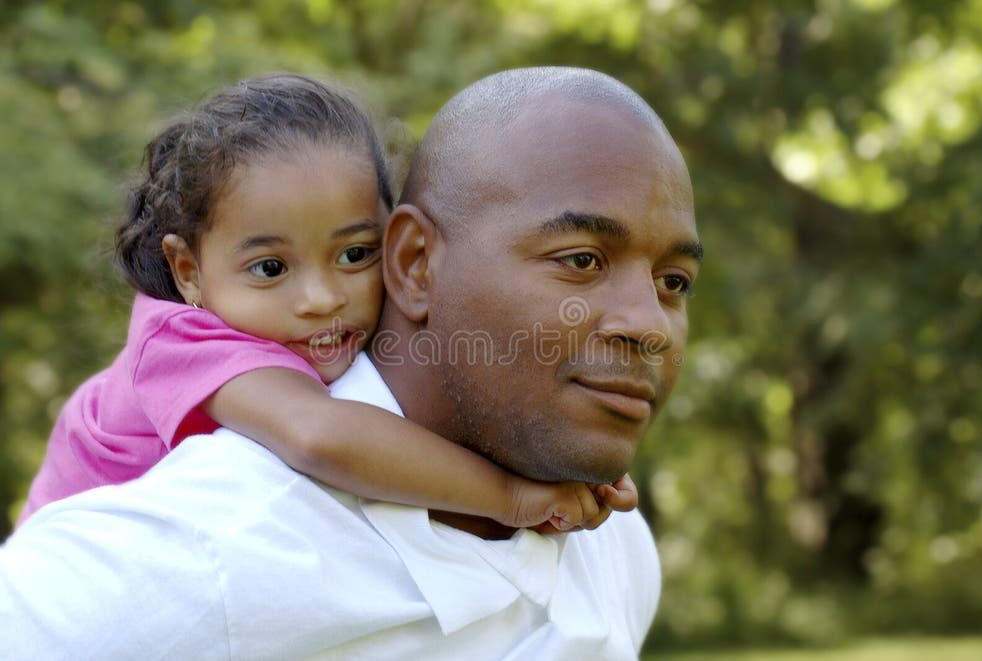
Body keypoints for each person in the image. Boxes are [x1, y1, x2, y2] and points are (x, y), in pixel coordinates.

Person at [1, 67, 702, 659]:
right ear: (415, 264)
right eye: (580, 260)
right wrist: (513, 496)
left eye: (674, 282)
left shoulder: (613, 548)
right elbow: (318, 435)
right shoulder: (199, 550)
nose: (650, 325)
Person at [16, 73, 632, 532]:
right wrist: (511, 495)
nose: (321, 299)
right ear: (188, 270)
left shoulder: (313, 327)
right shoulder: (180, 342)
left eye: (354, 255)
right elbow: (319, 434)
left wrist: (556, 448)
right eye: (270, 268)